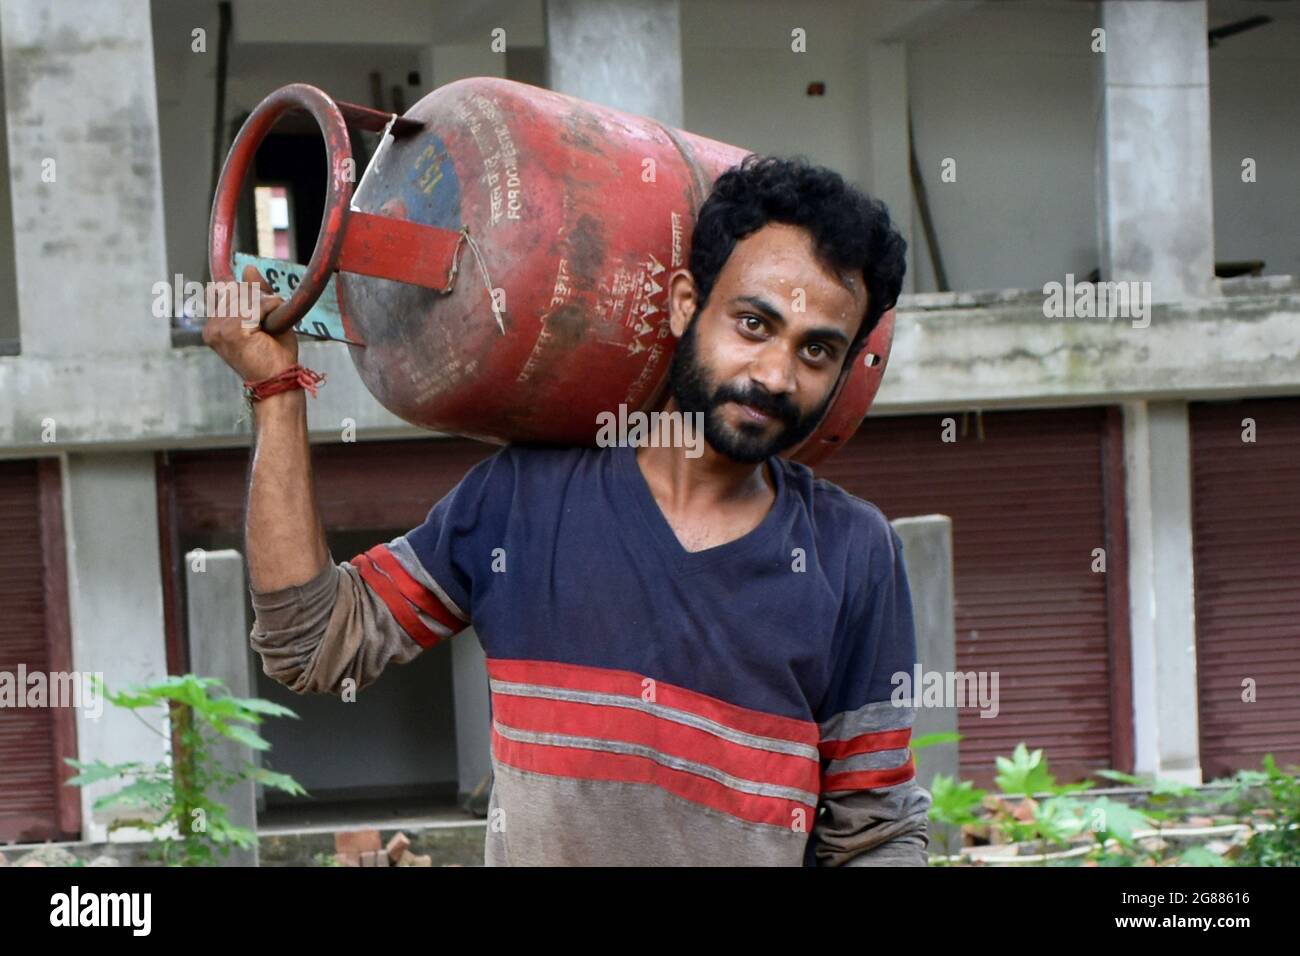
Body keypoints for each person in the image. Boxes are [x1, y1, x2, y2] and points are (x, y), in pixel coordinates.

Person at [203, 154, 930, 866]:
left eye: (817, 352)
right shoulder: (523, 501)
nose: (775, 374)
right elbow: (312, 643)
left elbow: (875, 836)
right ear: (686, 303)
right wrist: (277, 394)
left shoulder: (851, 553)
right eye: (752, 324)